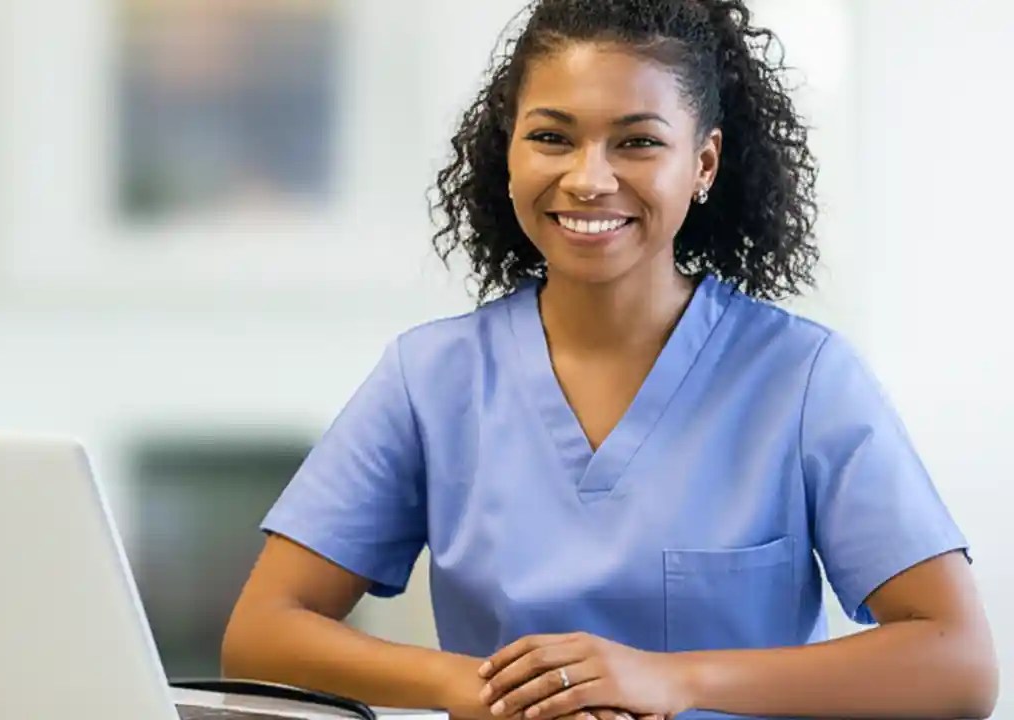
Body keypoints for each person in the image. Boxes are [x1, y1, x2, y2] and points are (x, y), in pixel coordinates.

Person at [221, 1, 999, 718]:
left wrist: (671, 677)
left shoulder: (802, 379)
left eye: (637, 142)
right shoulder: (429, 378)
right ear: (510, 152)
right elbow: (263, 633)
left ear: (703, 165)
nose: (588, 178)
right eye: (552, 137)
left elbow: (958, 663)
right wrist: (482, 689)